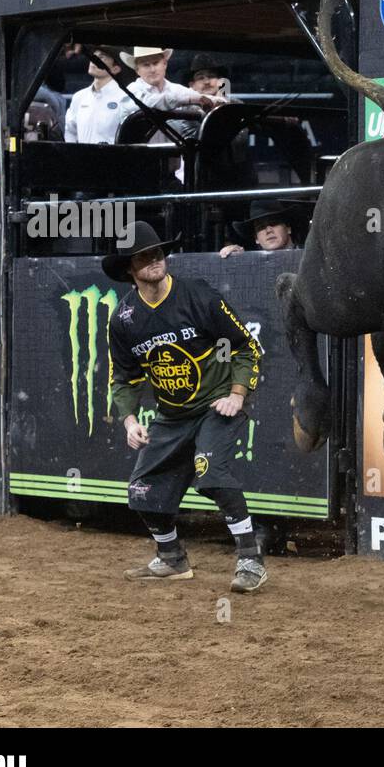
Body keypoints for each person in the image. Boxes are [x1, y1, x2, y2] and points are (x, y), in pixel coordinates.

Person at [105, 221, 269, 593]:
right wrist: (130, 421)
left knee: (209, 474)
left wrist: (238, 394)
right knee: (141, 490)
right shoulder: (124, 320)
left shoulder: (198, 296)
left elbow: (245, 347)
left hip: (218, 405)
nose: (154, 260)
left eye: (158, 252)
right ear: (130, 270)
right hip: (172, 415)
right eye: (143, 256)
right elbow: (124, 378)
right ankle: (171, 558)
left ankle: (250, 559)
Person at [65, 46, 127, 145]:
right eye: (94, 56)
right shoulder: (79, 96)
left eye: (101, 57)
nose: (94, 60)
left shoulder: (124, 98)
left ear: (115, 69)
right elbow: (70, 131)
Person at [220, 199, 303, 257]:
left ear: (288, 228)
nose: (268, 230)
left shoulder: (309, 256)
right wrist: (236, 260)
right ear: (256, 238)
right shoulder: (251, 265)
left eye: (273, 223)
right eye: (261, 227)